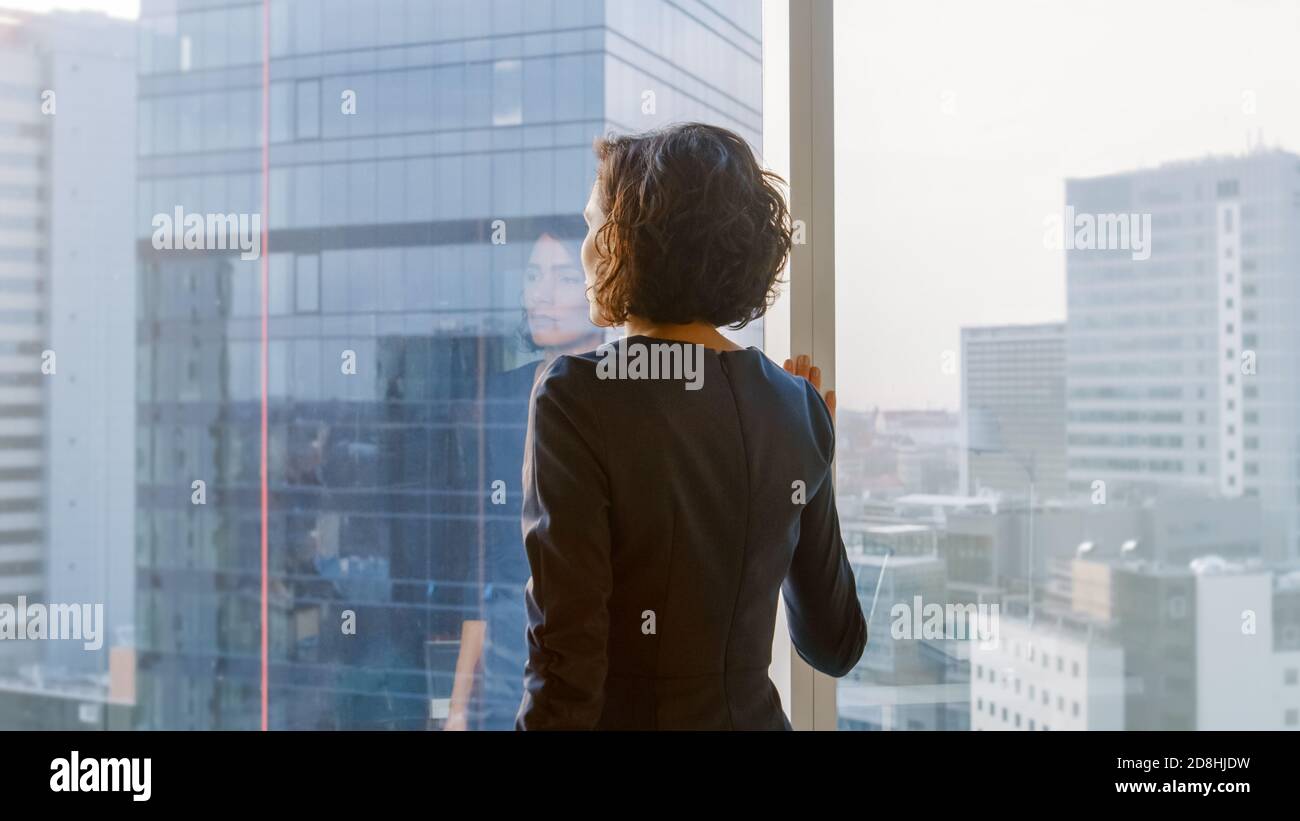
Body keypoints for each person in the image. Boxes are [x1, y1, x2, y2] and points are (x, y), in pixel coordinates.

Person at [515, 123, 867, 730]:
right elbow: (835, 644)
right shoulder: (799, 408)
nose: (585, 250)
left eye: (593, 225)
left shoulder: (575, 394)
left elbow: (565, 665)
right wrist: (808, 450)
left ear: (628, 242)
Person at [443, 230, 604, 730]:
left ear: (599, 287)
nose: (541, 294)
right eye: (533, 276)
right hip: (511, 661)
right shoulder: (503, 399)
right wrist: (457, 708)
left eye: (564, 278)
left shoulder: (628, 395)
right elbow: (490, 564)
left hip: (600, 658)